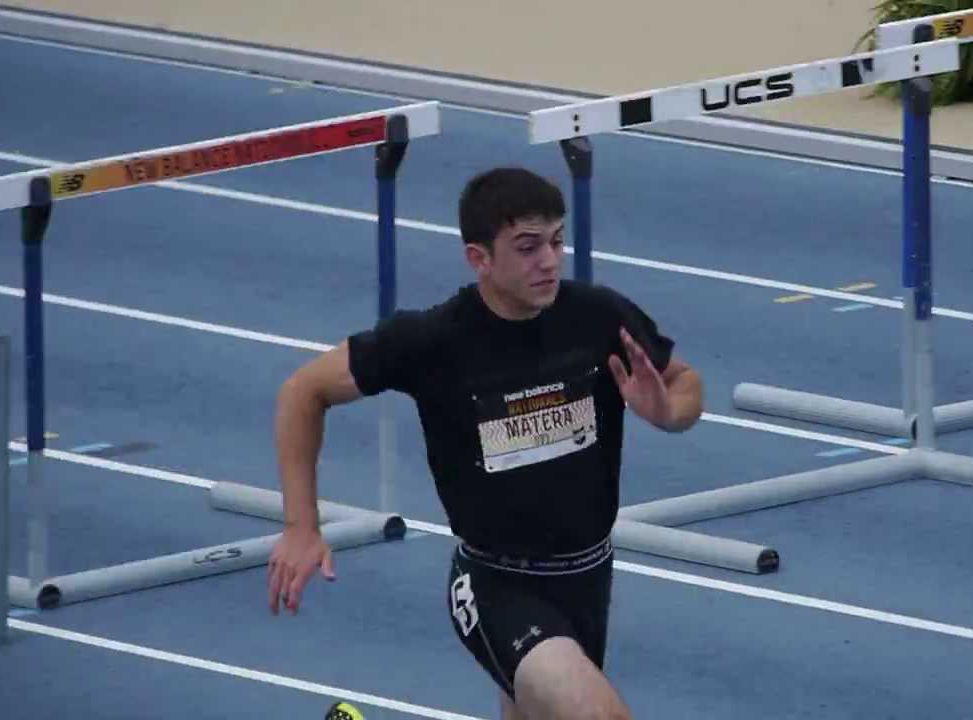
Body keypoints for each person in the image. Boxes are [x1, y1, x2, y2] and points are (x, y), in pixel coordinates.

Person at [266, 167, 703, 719]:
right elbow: (302, 391)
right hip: (495, 583)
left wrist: (667, 412)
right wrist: (300, 528)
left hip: (588, 577)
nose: (548, 260)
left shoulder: (596, 316)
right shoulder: (433, 339)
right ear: (479, 259)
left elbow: (685, 383)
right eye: (527, 247)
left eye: (555, 241)